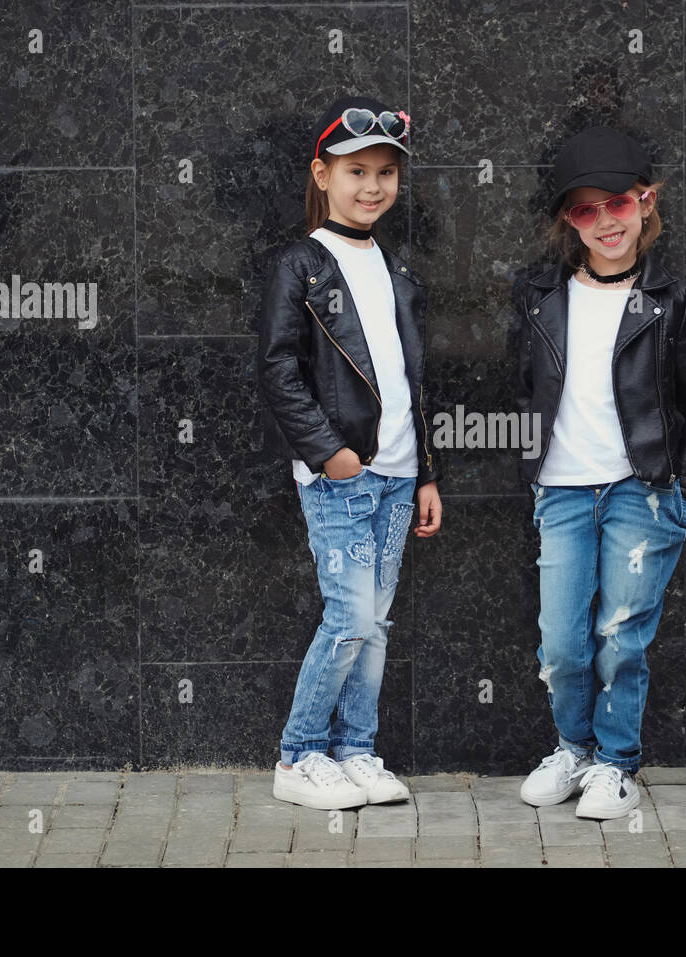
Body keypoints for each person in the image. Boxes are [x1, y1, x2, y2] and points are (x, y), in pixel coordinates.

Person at [514, 126, 686, 818]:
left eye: (619, 203)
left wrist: (682, 494)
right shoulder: (543, 297)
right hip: (565, 492)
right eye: (585, 210)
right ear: (568, 223)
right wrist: (537, 473)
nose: (605, 221)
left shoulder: (673, 298)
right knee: (561, 640)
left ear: (646, 202)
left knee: (621, 635)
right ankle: (573, 747)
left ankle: (615, 762)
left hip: (645, 492)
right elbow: (524, 389)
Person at [258, 95, 442, 810]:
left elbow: (409, 380)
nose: (371, 187)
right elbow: (277, 369)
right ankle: (299, 754)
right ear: (322, 173)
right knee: (351, 617)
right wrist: (328, 451)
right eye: (356, 170)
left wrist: (426, 472)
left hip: (397, 478)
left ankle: (356, 747)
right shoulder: (303, 264)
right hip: (341, 478)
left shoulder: (395, 272)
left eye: (385, 173)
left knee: (377, 621)